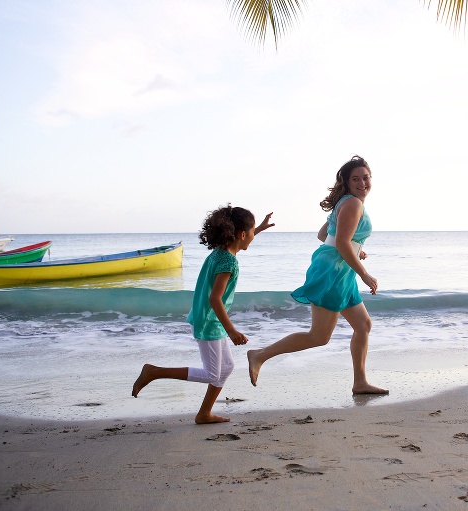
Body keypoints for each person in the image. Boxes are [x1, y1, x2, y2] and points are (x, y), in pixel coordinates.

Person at [247, 155, 388, 395]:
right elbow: (340, 242)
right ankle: (260, 355)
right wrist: (364, 273)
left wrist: (356, 249)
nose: (362, 183)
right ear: (346, 181)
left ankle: (360, 382)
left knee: (363, 325)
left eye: (366, 177)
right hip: (333, 272)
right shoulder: (353, 204)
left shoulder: (345, 203)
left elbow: (325, 236)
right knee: (319, 336)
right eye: (356, 179)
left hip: (338, 269)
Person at [132, 205, 274, 424]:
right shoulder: (228, 262)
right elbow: (215, 299)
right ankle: (154, 372)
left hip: (208, 319)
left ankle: (204, 413)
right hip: (210, 322)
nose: (253, 236)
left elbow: (237, 239)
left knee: (226, 368)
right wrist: (232, 331)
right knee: (211, 374)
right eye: (252, 232)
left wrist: (259, 229)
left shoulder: (221, 251)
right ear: (242, 234)